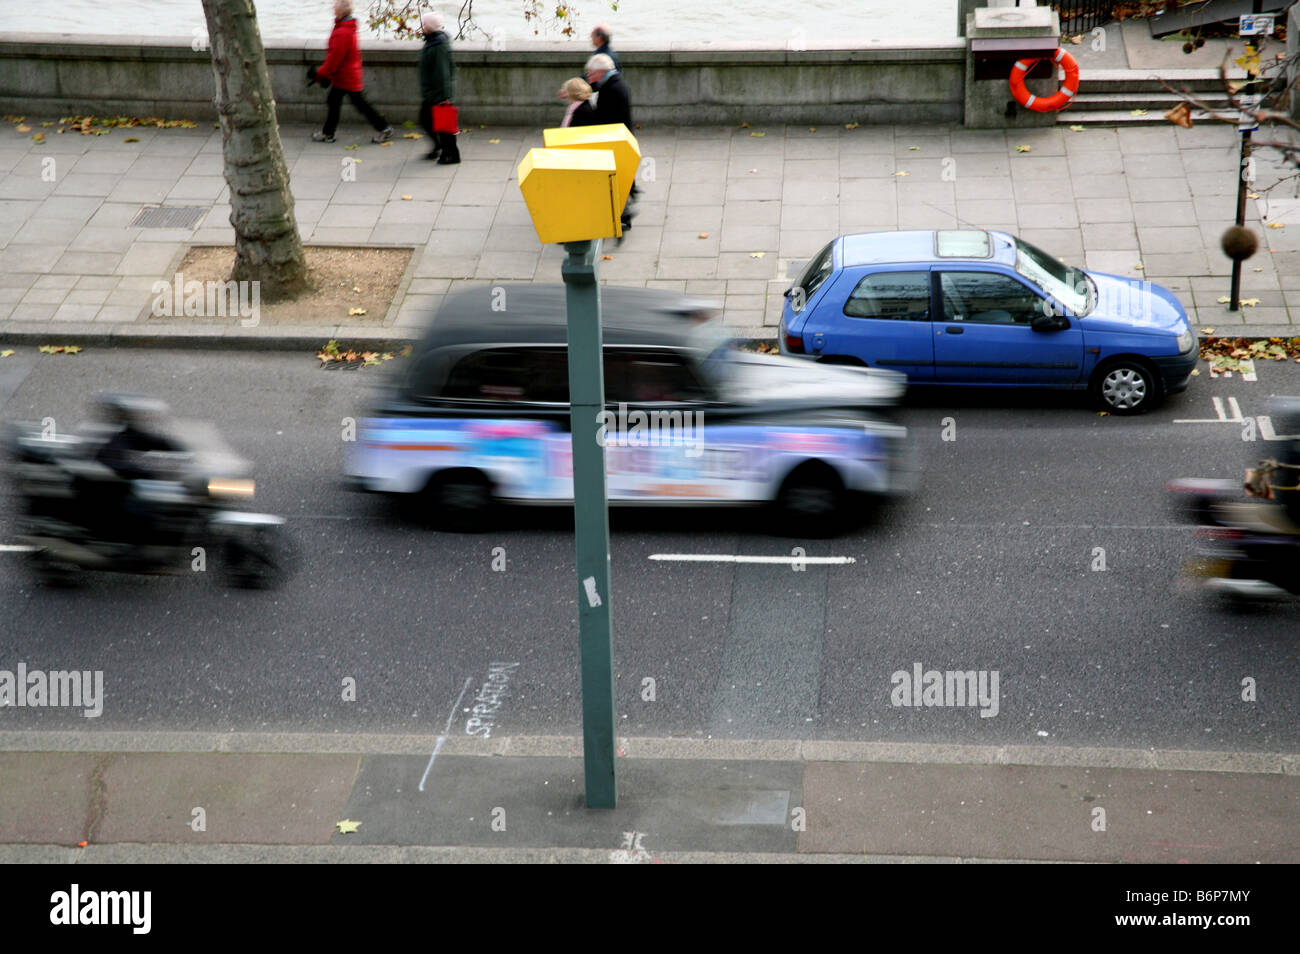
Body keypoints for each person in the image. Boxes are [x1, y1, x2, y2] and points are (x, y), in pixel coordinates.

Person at [313, 0, 393, 144]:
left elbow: (334, 58)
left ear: (340, 11)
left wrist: (321, 74)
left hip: (346, 77)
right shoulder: (346, 28)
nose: (333, 10)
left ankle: (384, 128)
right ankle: (328, 133)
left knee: (358, 105)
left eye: (334, 8)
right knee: (337, 102)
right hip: (347, 75)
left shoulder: (342, 32)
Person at [584, 53, 637, 230]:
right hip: (619, 138)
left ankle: (623, 217)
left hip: (615, 141)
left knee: (615, 181)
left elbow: (604, 117)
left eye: (591, 73)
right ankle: (622, 216)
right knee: (617, 181)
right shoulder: (614, 83)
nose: (589, 78)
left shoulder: (611, 88)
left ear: (601, 72)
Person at [418, 10, 459, 163]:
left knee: (443, 126)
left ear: (429, 27)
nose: (422, 28)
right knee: (430, 122)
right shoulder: (434, 42)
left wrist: (443, 98)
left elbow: (442, 74)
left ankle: (450, 154)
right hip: (433, 93)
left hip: (438, 94)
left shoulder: (437, 46)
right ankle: (442, 149)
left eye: (424, 25)